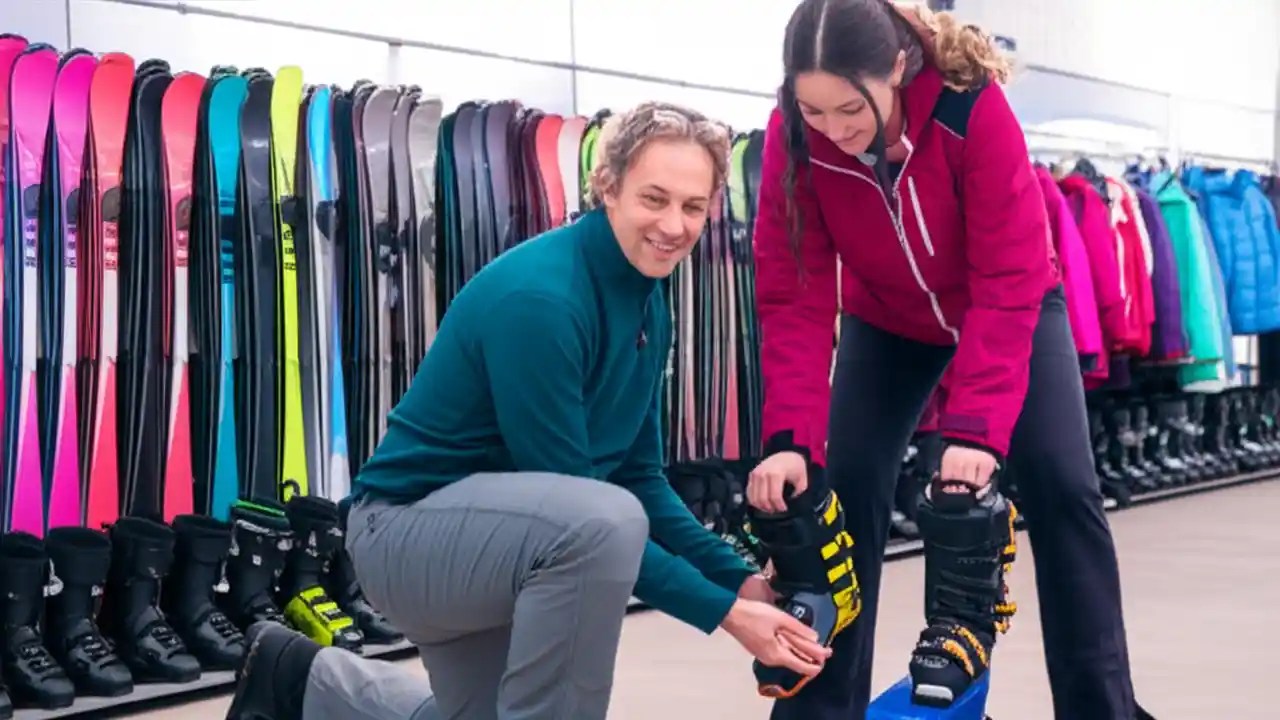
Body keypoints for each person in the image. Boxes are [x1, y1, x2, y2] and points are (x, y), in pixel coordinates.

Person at [224, 101, 835, 720]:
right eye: (655, 198)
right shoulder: (543, 300)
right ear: (609, 187)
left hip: (508, 542)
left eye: (693, 206)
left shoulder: (649, 301)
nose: (674, 224)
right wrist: (727, 615)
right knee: (603, 523)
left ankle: (299, 678)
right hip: (408, 541)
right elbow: (586, 508)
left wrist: (742, 581)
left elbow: (640, 478)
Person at [745, 1, 1152, 719]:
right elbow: (796, 293)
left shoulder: (971, 111)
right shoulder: (796, 139)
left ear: (898, 68)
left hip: (1012, 300)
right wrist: (789, 440)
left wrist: (975, 431)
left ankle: (1102, 708)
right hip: (889, 315)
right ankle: (819, 713)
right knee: (843, 490)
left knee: (1062, 487)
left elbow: (1006, 279)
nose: (834, 131)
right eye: (813, 110)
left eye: (849, 108)